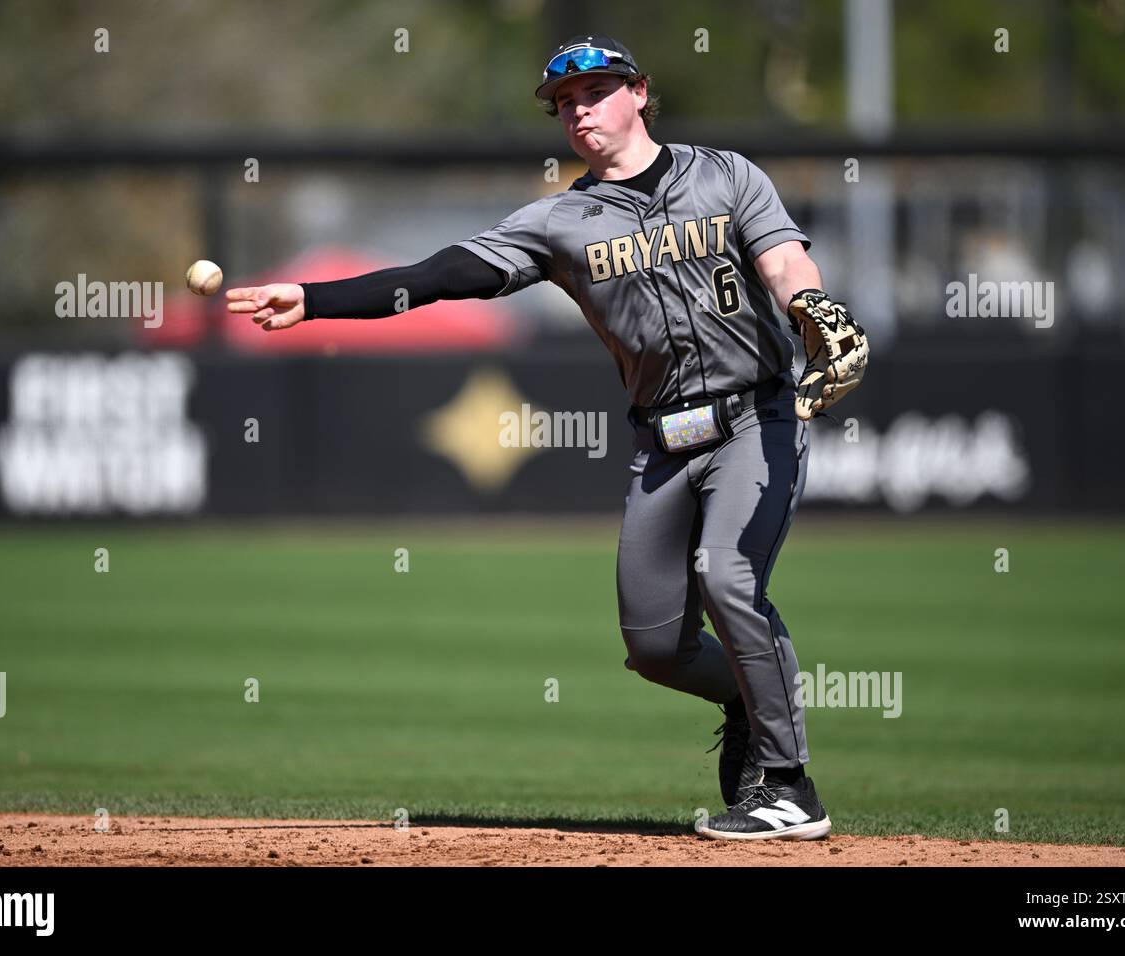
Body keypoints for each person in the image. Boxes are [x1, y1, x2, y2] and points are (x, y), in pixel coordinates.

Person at [226, 35, 867, 841]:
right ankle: (745, 695)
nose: (578, 111)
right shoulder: (560, 221)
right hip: (665, 442)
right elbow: (437, 276)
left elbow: (782, 266)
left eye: (594, 92)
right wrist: (315, 301)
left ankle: (787, 785)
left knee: (727, 576)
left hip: (756, 417)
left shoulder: (728, 175)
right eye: (563, 103)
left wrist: (814, 312)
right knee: (653, 646)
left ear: (639, 91)